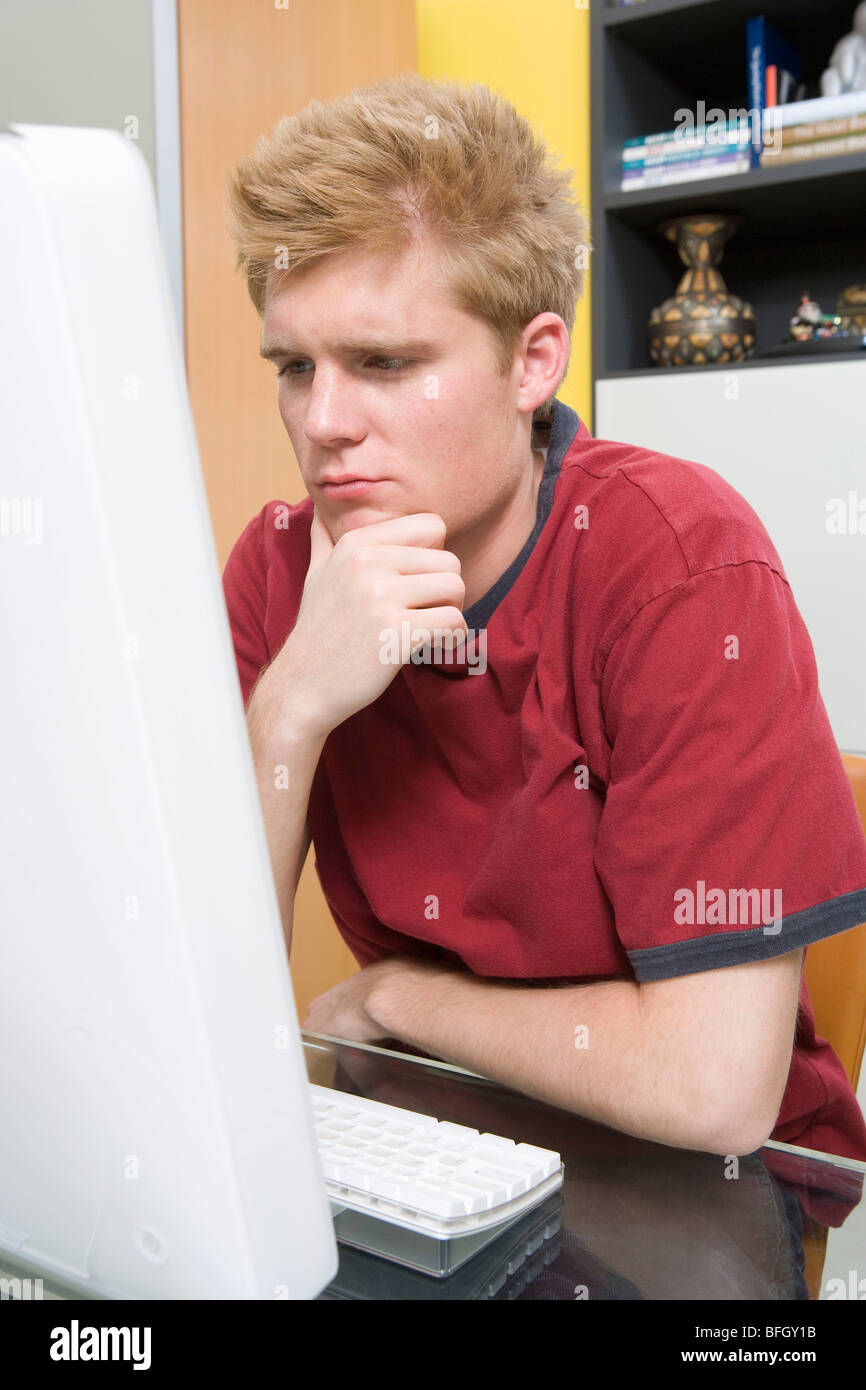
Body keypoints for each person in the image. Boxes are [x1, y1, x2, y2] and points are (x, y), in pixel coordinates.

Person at [222, 72, 866, 1163]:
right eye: (294, 367)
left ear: (533, 362)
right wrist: (287, 710)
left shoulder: (676, 562)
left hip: (685, 1181)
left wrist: (395, 1000)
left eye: (383, 362)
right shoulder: (280, 566)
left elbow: (709, 1089)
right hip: (422, 1130)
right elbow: (198, 1006)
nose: (323, 422)